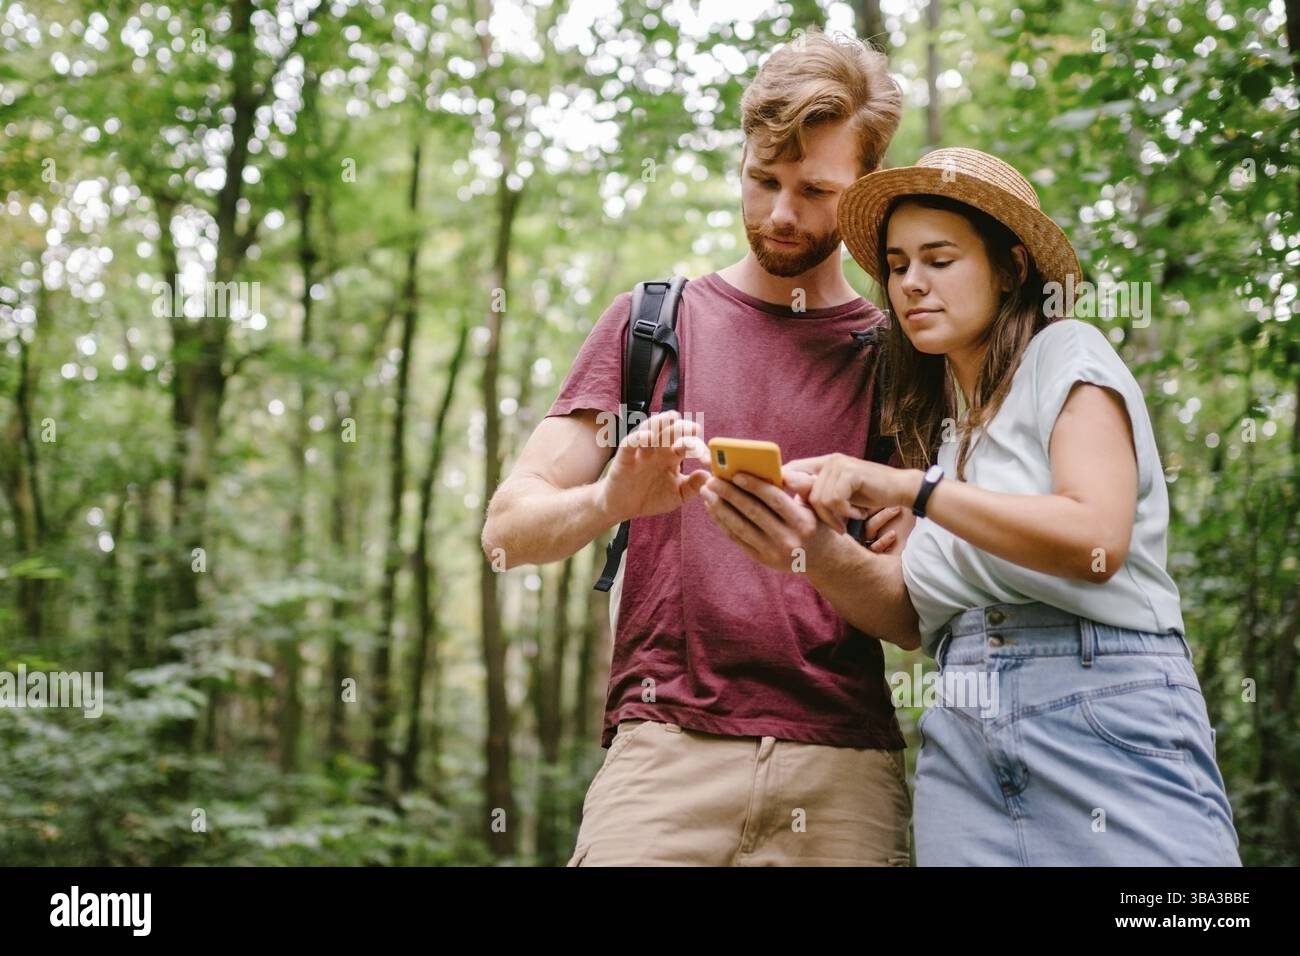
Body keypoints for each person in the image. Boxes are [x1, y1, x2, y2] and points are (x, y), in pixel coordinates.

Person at [482, 28, 915, 865]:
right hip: (661, 756)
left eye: (816, 190)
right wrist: (611, 500)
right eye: (763, 180)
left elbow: (907, 614)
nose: (782, 213)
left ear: (866, 191)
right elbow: (506, 531)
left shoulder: (900, 360)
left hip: (844, 766)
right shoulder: (652, 324)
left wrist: (814, 551)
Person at [746, 146, 1241, 865]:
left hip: (1104, 702)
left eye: (939, 260)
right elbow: (908, 621)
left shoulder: (1067, 353)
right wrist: (807, 543)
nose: (911, 284)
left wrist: (918, 492)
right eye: (897, 264)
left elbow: (1095, 539)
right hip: (962, 731)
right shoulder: (947, 437)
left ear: (1010, 268)